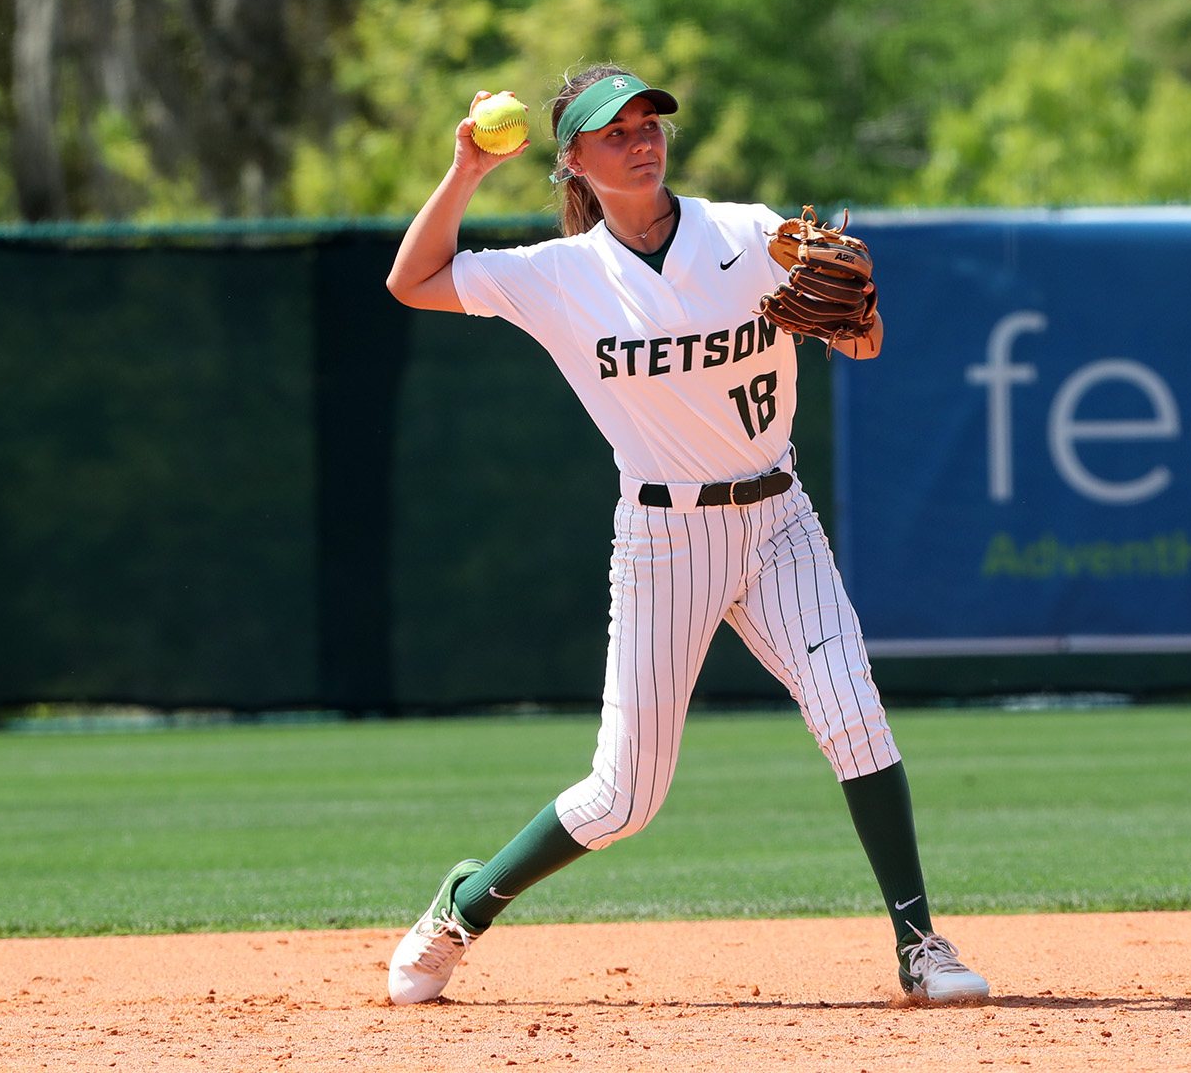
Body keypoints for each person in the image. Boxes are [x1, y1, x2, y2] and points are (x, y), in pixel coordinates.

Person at [380, 64, 986, 1006]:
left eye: (649, 122)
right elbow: (411, 280)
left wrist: (858, 318)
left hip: (779, 516)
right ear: (574, 161)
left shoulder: (748, 233)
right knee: (623, 799)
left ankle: (921, 945)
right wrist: (464, 171)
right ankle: (462, 905)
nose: (641, 138)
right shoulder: (557, 276)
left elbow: (860, 341)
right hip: (666, 541)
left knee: (852, 711)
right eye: (613, 131)